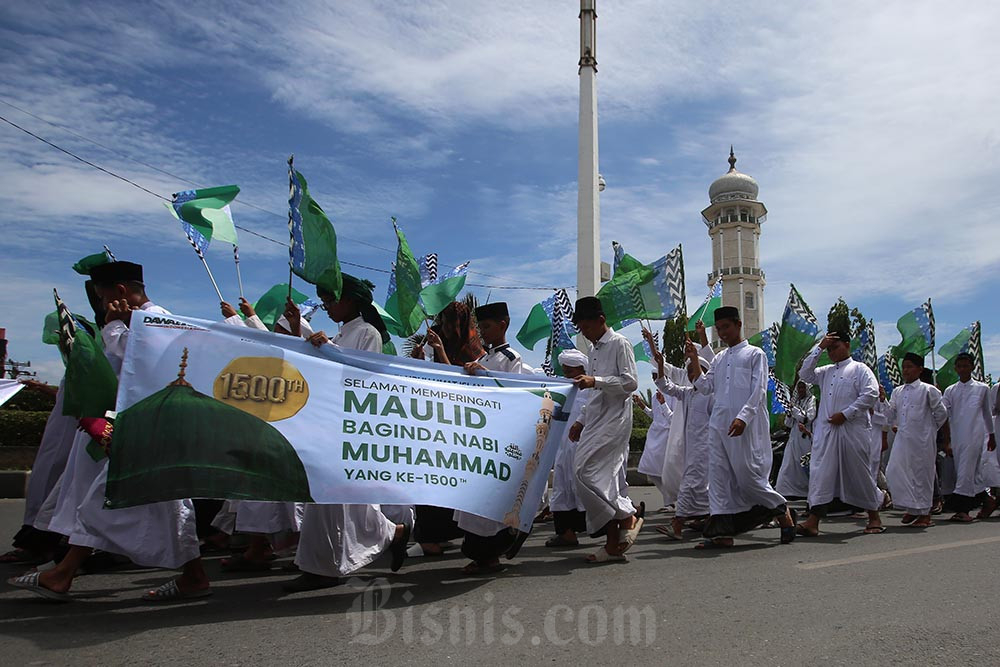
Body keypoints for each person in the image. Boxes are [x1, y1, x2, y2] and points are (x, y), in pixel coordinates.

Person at [10, 261, 206, 602]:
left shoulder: (157, 319)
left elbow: (144, 367)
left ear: (119, 292)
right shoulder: (134, 322)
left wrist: (113, 326)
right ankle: (193, 575)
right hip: (136, 430)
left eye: (102, 299)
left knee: (111, 501)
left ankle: (62, 573)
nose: (102, 307)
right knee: (151, 505)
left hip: (148, 432)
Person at [282, 275, 410, 592]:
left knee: (334, 498)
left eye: (330, 301)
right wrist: (300, 330)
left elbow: (365, 375)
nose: (326, 307)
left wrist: (329, 349)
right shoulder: (343, 332)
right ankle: (382, 537)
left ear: (350, 301)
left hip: (350, 423)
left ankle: (325, 566)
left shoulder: (367, 333)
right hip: (331, 422)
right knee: (333, 499)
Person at [687, 306, 796, 548]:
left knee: (747, 476)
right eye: (719, 328)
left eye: (726, 327)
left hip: (744, 427)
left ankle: (780, 509)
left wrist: (743, 417)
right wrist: (694, 360)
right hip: (718, 426)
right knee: (718, 478)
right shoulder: (719, 358)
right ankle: (722, 534)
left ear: (738, 325)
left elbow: (758, 391)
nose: (723, 332)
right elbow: (705, 387)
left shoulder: (756, 355)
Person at [452, 301, 532, 574]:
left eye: (486, 326)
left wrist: (486, 377)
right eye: (480, 327)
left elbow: (518, 395)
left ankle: (490, 554)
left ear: (503, 325)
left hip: (499, 437)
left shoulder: (511, 359)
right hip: (480, 436)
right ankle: (488, 549)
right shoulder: (484, 358)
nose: (482, 332)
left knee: (487, 499)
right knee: (474, 500)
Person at [567, 297, 641, 563]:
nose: (584, 332)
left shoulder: (620, 343)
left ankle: (622, 523)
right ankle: (623, 520)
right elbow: (594, 394)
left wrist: (595, 380)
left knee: (593, 474)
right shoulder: (594, 350)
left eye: (586, 326)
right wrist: (581, 420)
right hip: (596, 418)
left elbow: (631, 382)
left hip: (615, 419)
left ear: (600, 321)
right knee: (583, 474)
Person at [408, 301, 484, 557]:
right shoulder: (439, 339)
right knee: (429, 477)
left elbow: (461, 382)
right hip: (435, 422)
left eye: (449, 320)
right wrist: (420, 360)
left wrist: (440, 352)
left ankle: (441, 535)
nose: (445, 326)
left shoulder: (472, 348)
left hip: (460, 425)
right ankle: (433, 534)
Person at [794, 331, 884, 537]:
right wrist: (819, 348)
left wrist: (846, 414)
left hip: (853, 430)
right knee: (821, 474)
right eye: (830, 349)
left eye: (836, 347)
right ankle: (813, 521)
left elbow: (870, 394)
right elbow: (804, 374)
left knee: (859, 473)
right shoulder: (825, 372)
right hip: (827, 432)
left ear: (847, 345)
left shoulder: (860, 369)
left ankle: (874, 517)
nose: (832, 352)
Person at [646, 327, 714, 541]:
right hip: (689, 446)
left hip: (706, 447)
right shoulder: (688, 393)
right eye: (691, 373)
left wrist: (695, 355)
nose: (693, 376)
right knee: (698, 485)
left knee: (690, 483)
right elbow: (665, 385)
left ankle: (678, 524)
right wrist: (658, 362)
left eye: (696, 372)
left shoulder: (711, 395)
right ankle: (708, 517)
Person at [884, 353, 949, 528]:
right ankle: (912, 508)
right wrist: (882, 400)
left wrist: (929, 429)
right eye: (904, 366)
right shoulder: (898, 391)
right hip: (903, 439)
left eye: (910, 366)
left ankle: (924, 513)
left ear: (919, 369)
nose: (906, 370)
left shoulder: (929, 390)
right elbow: (890, 415)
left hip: (923, 440)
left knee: (922, 475)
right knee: (895, 471)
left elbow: (941, 414)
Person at [940, 353, 996, 522]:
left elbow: (987, 413)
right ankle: (988, 501)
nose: (963, 369)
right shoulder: (951, 390)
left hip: (975, 436)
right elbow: (943, 413)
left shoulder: (982, 388)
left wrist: (991, 436)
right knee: (972, 473)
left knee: (965, 472)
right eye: (960, 366)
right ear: (956, 368)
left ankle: (963, 510)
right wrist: (947, 440)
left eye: (966, 366)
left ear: (972, 367)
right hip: (957, 436)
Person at [546, 348, 591, 547]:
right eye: (565, 371)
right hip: (564, 449)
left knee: (587, 490)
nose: (567, 376)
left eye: (571, 371)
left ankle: (616, 527)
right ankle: (566, 533)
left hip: (584, 448)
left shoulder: (592, 392)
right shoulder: (563, 390)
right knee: (562, 489)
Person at [775, 380, 816, 500]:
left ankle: (806, 491)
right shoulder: (795, 401)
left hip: (805, 436)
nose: (801, 390)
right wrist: (789, 413)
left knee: (803, 463)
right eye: (799, 388)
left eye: (803, 388)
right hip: (794, 436)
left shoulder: (811, 400)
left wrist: (794, 410)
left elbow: (808, 417)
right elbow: (788, 424)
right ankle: (785, 490)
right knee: (788, 464)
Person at [634, 388, 673, 503]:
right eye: (654, 377)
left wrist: (663, 403)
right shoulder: (654, 397)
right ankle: (669, 499)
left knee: (667, 472)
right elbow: (654, 415)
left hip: (667, 436)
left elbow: (674, 417)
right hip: (654, 436)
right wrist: (641, 405)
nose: (655, 379)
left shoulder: (674, 394)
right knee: (648, 469)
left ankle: (672, 500)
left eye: (657, 376)